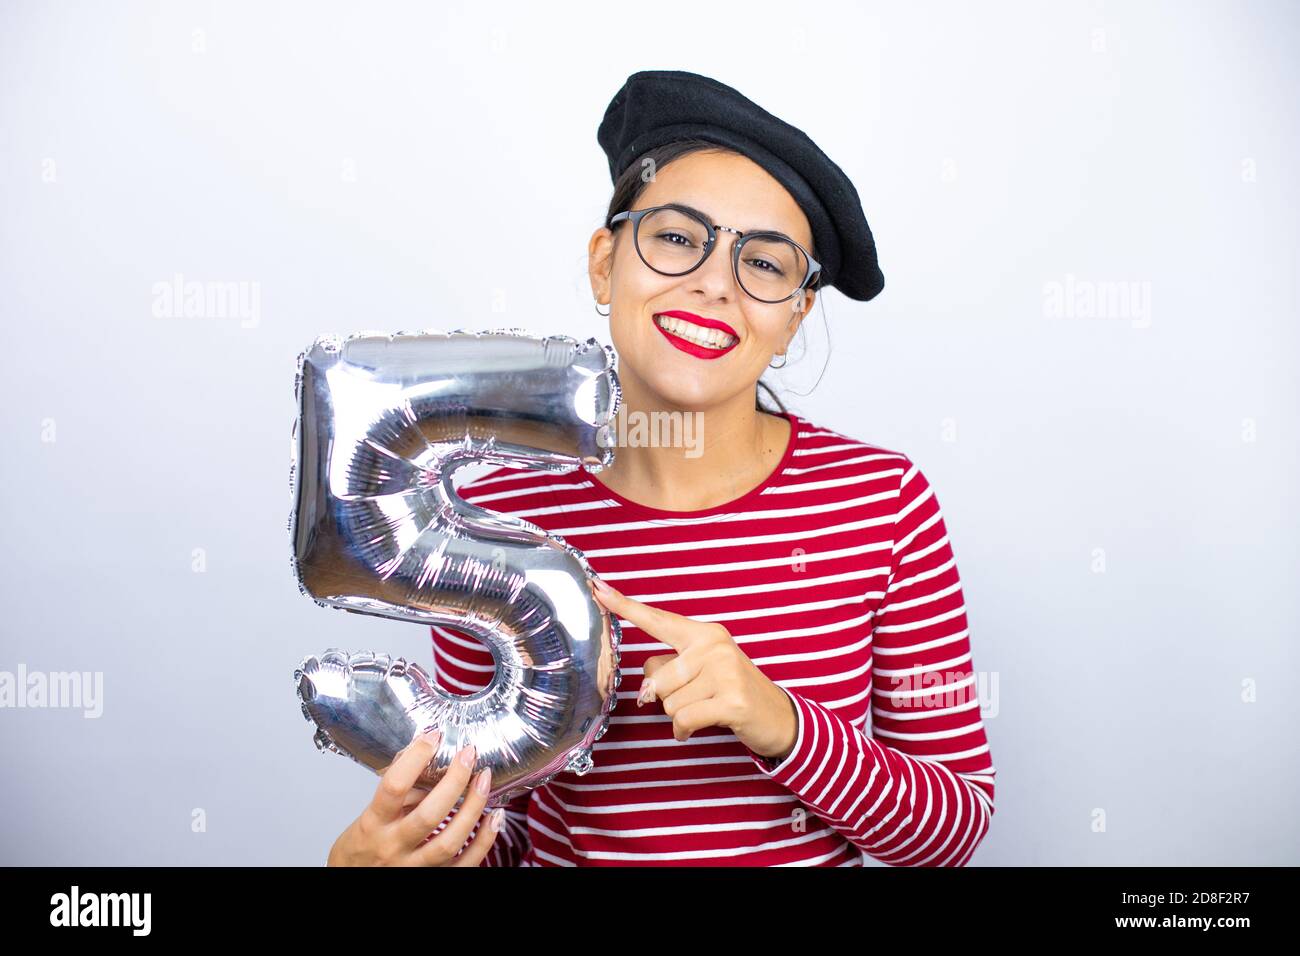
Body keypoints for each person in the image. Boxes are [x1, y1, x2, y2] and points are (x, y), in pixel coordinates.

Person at [329, 69, 996, 867]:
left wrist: (779, 719)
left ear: (795, 316)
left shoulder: (885, 506)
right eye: (678, 237)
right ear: (605, 263)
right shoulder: (491, 517)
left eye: (767, 263)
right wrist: (393, 857)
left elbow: (954, 828)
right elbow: (502, 838)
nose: (715, 283)